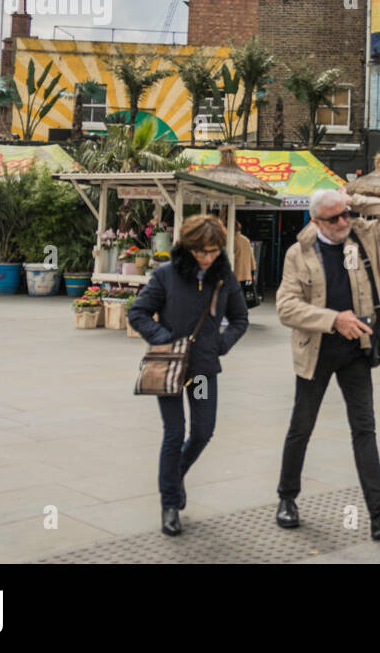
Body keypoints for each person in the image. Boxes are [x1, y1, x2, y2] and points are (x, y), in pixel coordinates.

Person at [274, 188, 380, 540]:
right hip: (317, 351)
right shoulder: (300, 252)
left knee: (364, 429)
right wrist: (332, 319)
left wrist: (356, 200)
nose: (343, 222)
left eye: (345, 214)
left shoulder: (363, 235)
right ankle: (287, 497)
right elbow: (286, 307)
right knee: (302, 426)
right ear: (316, 220)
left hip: (358, 349)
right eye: (334, 217)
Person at [128, 214, 249, 536]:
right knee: (174, 432)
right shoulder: (166, 274)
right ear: (188, 246)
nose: (207, 258)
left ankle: (173, 477)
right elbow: (138, 312)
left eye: (213, 251)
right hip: (169, 368)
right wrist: (162, 337)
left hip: (201, 373)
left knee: (202, 432)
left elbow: (239, 319)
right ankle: (169, 503)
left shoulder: (224, 276)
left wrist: (219, 345)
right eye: (201, 252)